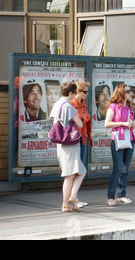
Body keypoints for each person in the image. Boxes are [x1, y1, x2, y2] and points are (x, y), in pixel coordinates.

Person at [49, 81, 85, 212]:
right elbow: (79, 124)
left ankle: (72, 199)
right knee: (71, 175)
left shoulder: (57, 104)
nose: (75, 95)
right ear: (70, 93)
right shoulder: (68, 106)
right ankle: (67, 202)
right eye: (74, 93)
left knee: (79, 171)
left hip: (61, 144)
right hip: (70, 144)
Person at [104, 84, 135, 206]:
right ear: (121, 93)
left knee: (125, 169)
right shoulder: (113, 106)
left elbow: (132, 124)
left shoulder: (129, 107)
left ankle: (122, 195)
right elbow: (107, 124)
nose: (130, 93)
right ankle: (110, 197)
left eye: (130, 91)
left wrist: (132, 125)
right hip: (117, 140)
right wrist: (122, 123)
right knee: (117, 169)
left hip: (129, 139)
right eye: (127, 91)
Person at [70, 80, 92, 209]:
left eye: (87, 92)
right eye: (84, 92)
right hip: (74, 140)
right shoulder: (72, 104)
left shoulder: (83, 104)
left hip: (83, 138)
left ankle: (74, 197)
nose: (87, 94)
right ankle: (72, 198)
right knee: (75, 170)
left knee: (79, 169)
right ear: (77, 92)